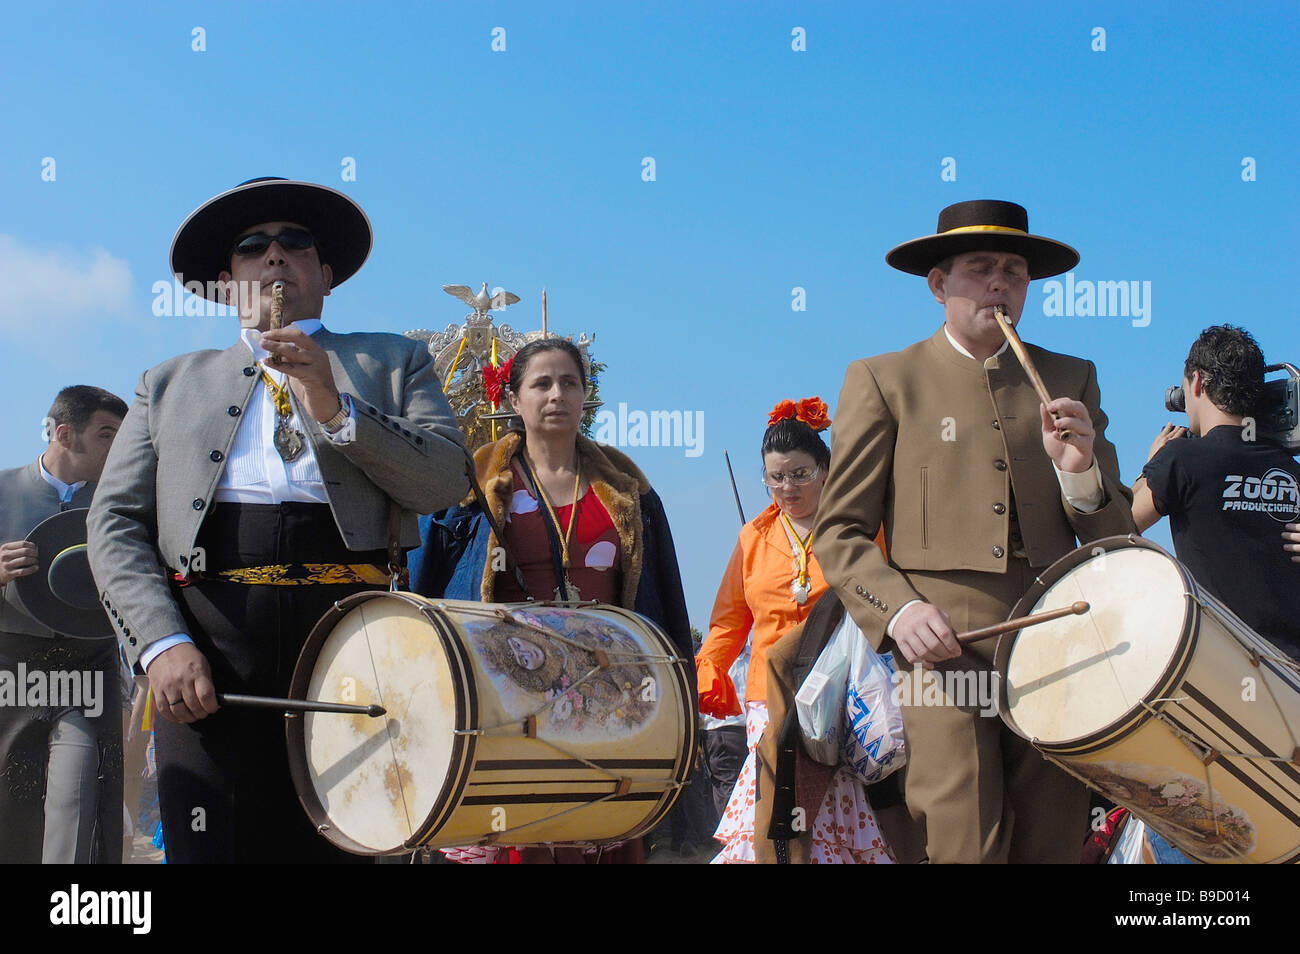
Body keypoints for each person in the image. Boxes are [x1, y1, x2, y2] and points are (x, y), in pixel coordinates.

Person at [87, 178, 468, 863]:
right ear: (227, 280)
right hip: (205, 656)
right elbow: (114, 523)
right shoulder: (166, 382)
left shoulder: (395, 360)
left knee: (351, 845)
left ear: (325, 274)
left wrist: (335, 405)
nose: (274, 255)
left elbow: (443, 480)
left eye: (294, 242)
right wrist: (159, 646)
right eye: (251, 246)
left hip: (359, 649)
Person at [813, 200, 1136, 863]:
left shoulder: (1069, 378)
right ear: (938, 285)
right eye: (981, 268)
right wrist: (899, 610)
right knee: (966, 838)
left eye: (1014, 271)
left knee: (1052, 836)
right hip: (942, 651)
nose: (1000, 284)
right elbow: (839, 532)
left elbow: (1115, 535)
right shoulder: (884, 379)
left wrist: (1080, 475)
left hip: (1055, 639)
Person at [411, 337, 692, 863]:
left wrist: (685, 709)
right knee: (518, 829)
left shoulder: (629, 489)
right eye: (541, 383)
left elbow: (667, 602)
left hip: (612, 693)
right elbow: (423, 590)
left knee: (606, 829)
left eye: (569, 382)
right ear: (513, 400)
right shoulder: (472, 486)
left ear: (586, 394)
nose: (556, 394)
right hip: (508, 697)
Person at [696, 397, 894, 864]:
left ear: (826, 470)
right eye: (776, 477)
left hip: (843, 695)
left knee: (826, 808)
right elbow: (729, 621)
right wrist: (710, 670)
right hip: (770, 696)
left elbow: (883, 603)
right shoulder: (753, 537)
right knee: (775, 807)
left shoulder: (861, 532)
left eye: (800, 474)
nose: (788, 487)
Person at [0, 385, 127, 863]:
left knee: (81, 792)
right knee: (11, 797)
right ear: (64, 433)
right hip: (12, 666)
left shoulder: (122, 505)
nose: (118, 447)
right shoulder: (2, 488)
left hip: (89, 664)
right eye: (106, 434)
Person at [1132, 325, 1300, 659]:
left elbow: (1114, 528)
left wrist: (1150, 468)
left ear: (1195, 382)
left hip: (1222, 664)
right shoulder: (1292, 472)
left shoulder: (1180, 459)